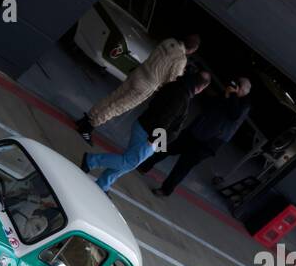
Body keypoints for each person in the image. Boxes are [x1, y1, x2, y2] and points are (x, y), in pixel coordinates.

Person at [80, 71, 209, 193]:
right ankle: (91, 161)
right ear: (201, 88)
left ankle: (103, 183)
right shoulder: (182, 98)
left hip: (144, 125)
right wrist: (154, 140)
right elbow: (166, 120)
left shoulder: (175, 85)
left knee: (128, 161)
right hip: (149, 134)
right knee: (129, 162)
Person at [74, 34, 201, 143]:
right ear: (192, 49)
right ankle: (89, 127)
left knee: (113, 96)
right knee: (119, 106)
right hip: (147, 84)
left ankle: (86, 119)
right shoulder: (180, 59)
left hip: (139, 72)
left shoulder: (169, 41)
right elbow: (173, 81)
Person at [139, 76, 252, 197]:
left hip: (208, 143)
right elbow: (208, 104)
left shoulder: (244, 104)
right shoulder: (226, 95)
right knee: (167, 148)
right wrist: (226, 95)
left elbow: (234, 115)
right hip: (195, 131)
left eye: (236, 87)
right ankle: (144, 166)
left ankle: (165, 190)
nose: (233, 88)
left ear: (242, 90)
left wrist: (233, 96)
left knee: (183, 166)